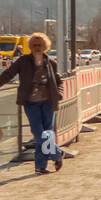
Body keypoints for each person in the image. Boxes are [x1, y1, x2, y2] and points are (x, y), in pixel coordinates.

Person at [0, 32, 65, 175]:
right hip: (31, 103)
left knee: (47, 135)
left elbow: (59, 81)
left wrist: (59, 93)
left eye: (40, 45)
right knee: (39, 134)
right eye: (34, 45)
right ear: (30, 46)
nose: (37, 48)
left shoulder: (51, 63)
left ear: (45, 46)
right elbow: (8, 73)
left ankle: (40, 167)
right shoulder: (23, 61)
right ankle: (57, 154)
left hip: (48, 103)